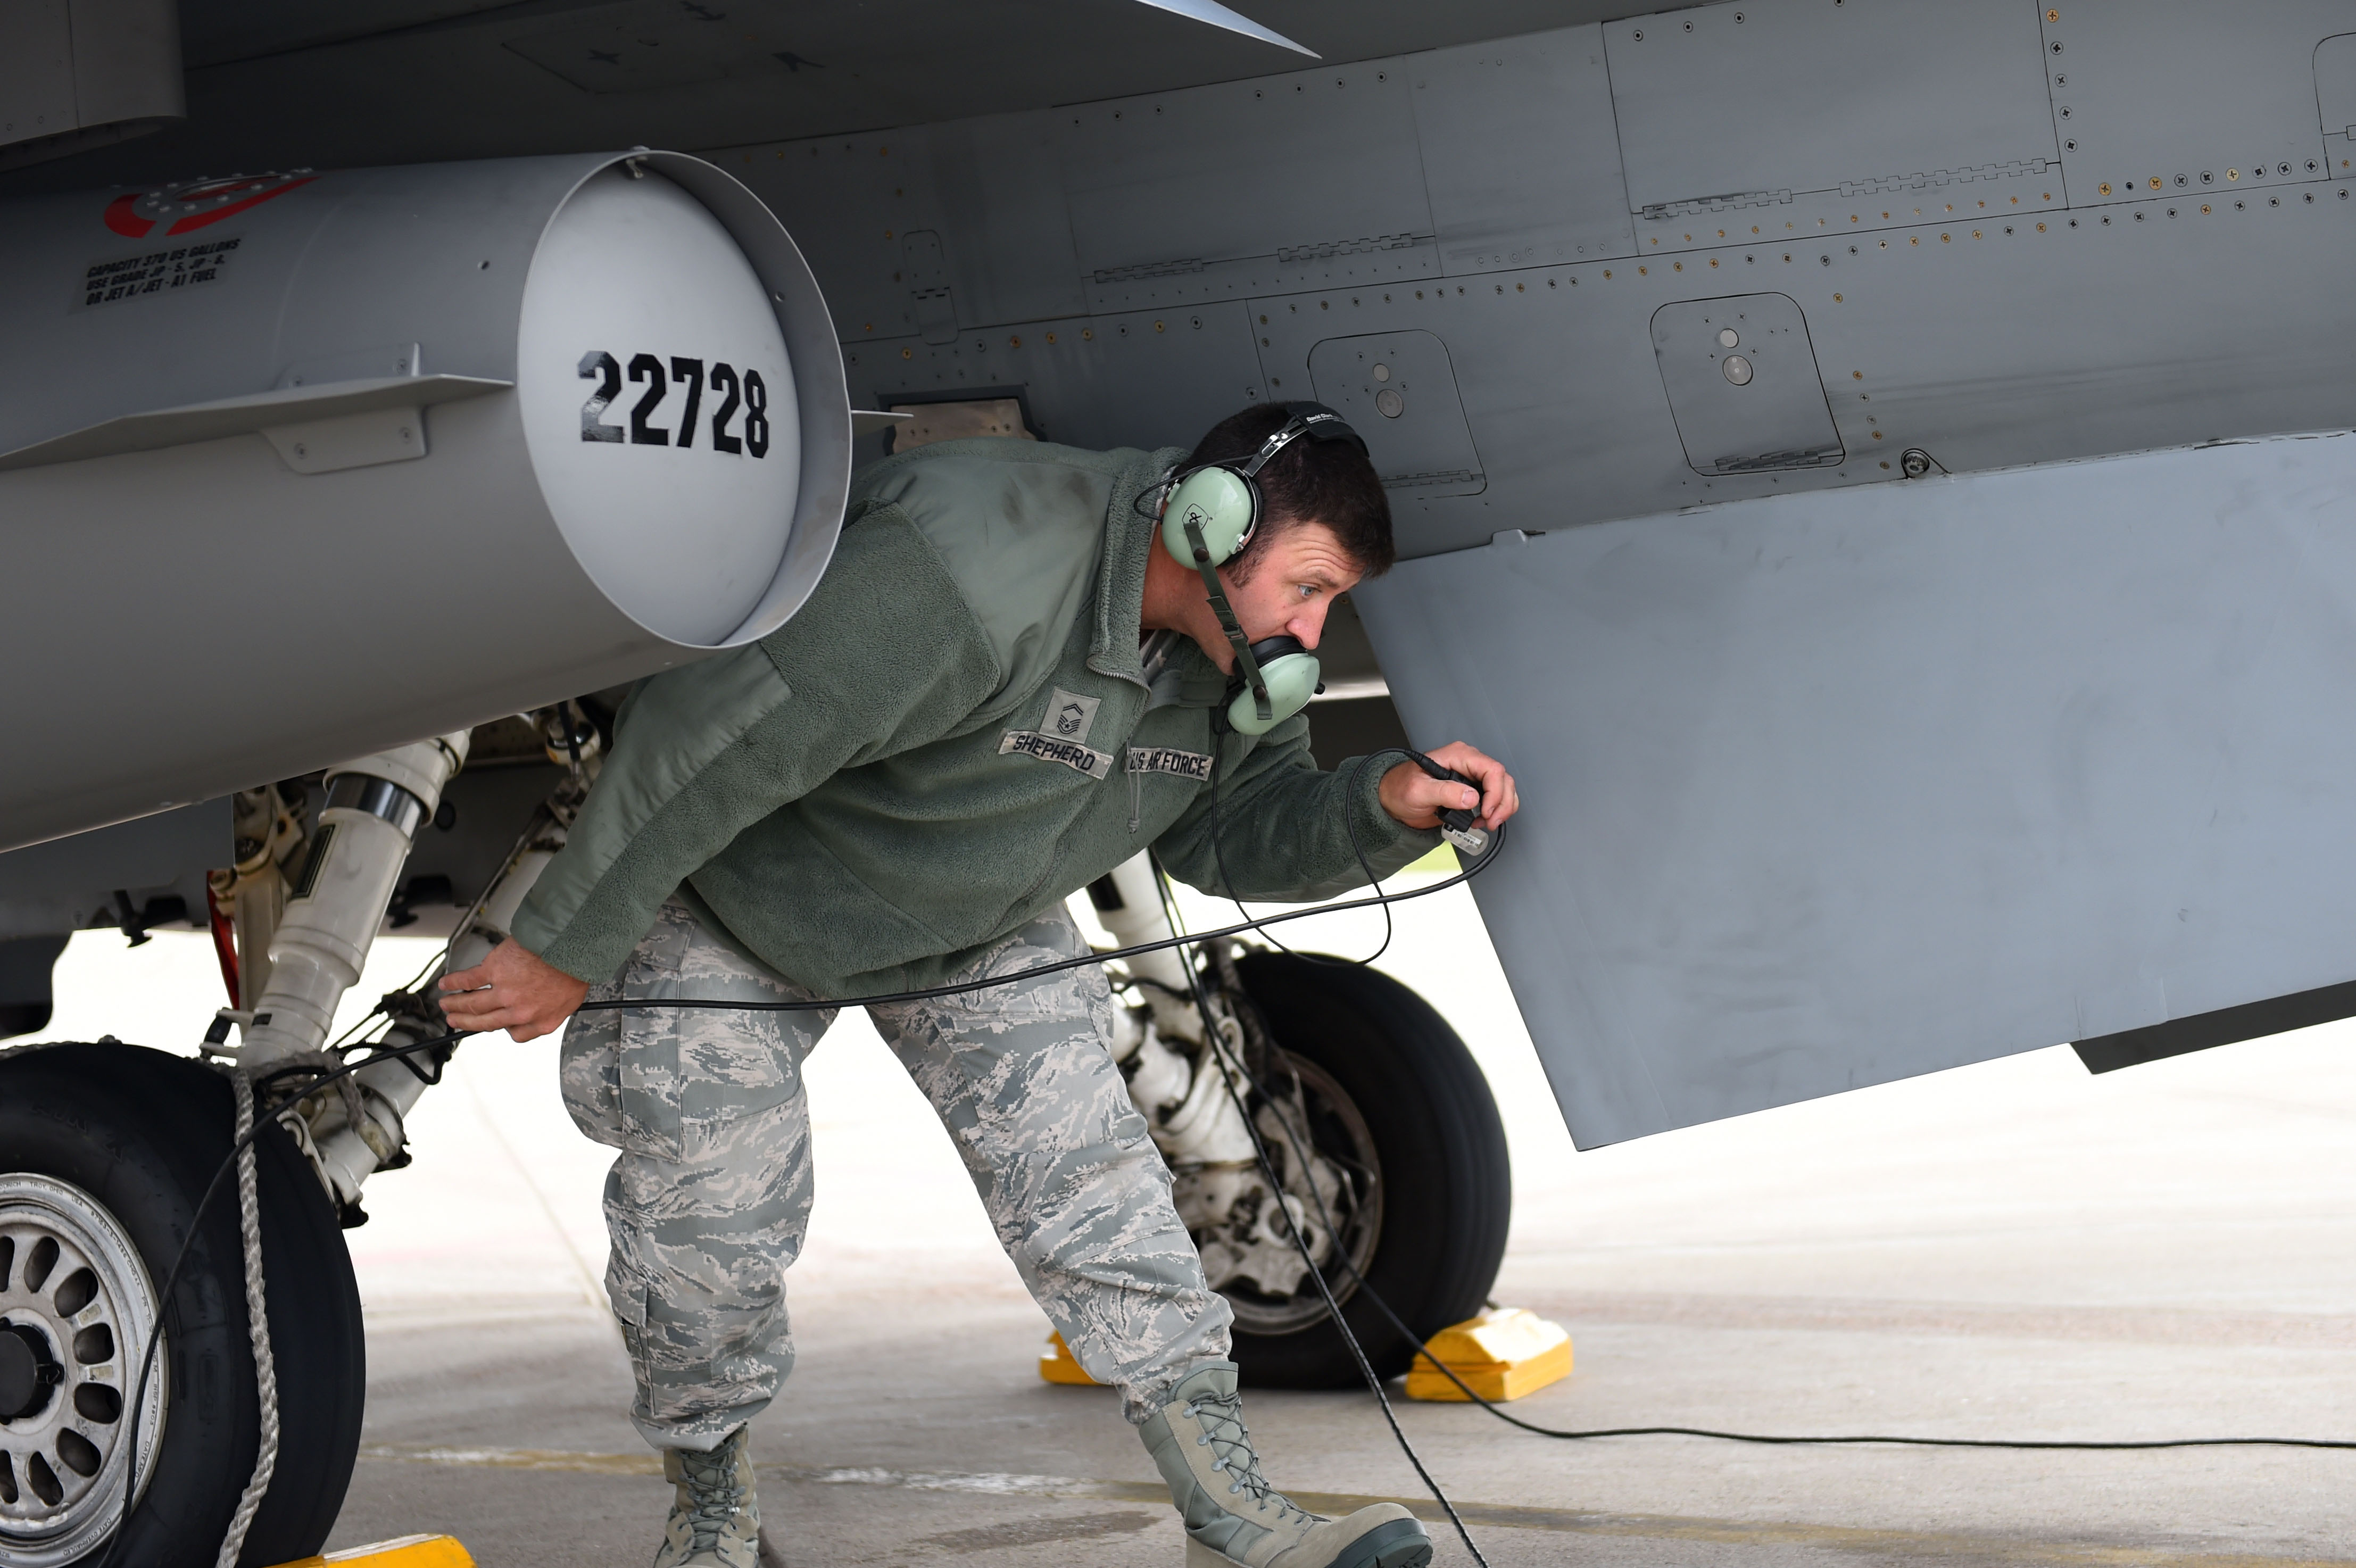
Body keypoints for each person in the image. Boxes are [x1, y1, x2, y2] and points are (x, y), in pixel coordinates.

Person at [439, 401, 1521, 1568]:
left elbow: (1234, 838)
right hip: (739, 903)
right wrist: (568, 940)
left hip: (976, 921)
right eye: (1307, 588)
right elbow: (716, 736)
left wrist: (1381, 805)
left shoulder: (1230, 660)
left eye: (1329, 604)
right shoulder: (963, 571)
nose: (1311, 629)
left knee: (1103, 1195)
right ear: (1209, 525)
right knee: (707, 1232)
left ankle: (1230, 1511)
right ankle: (713, 1517)